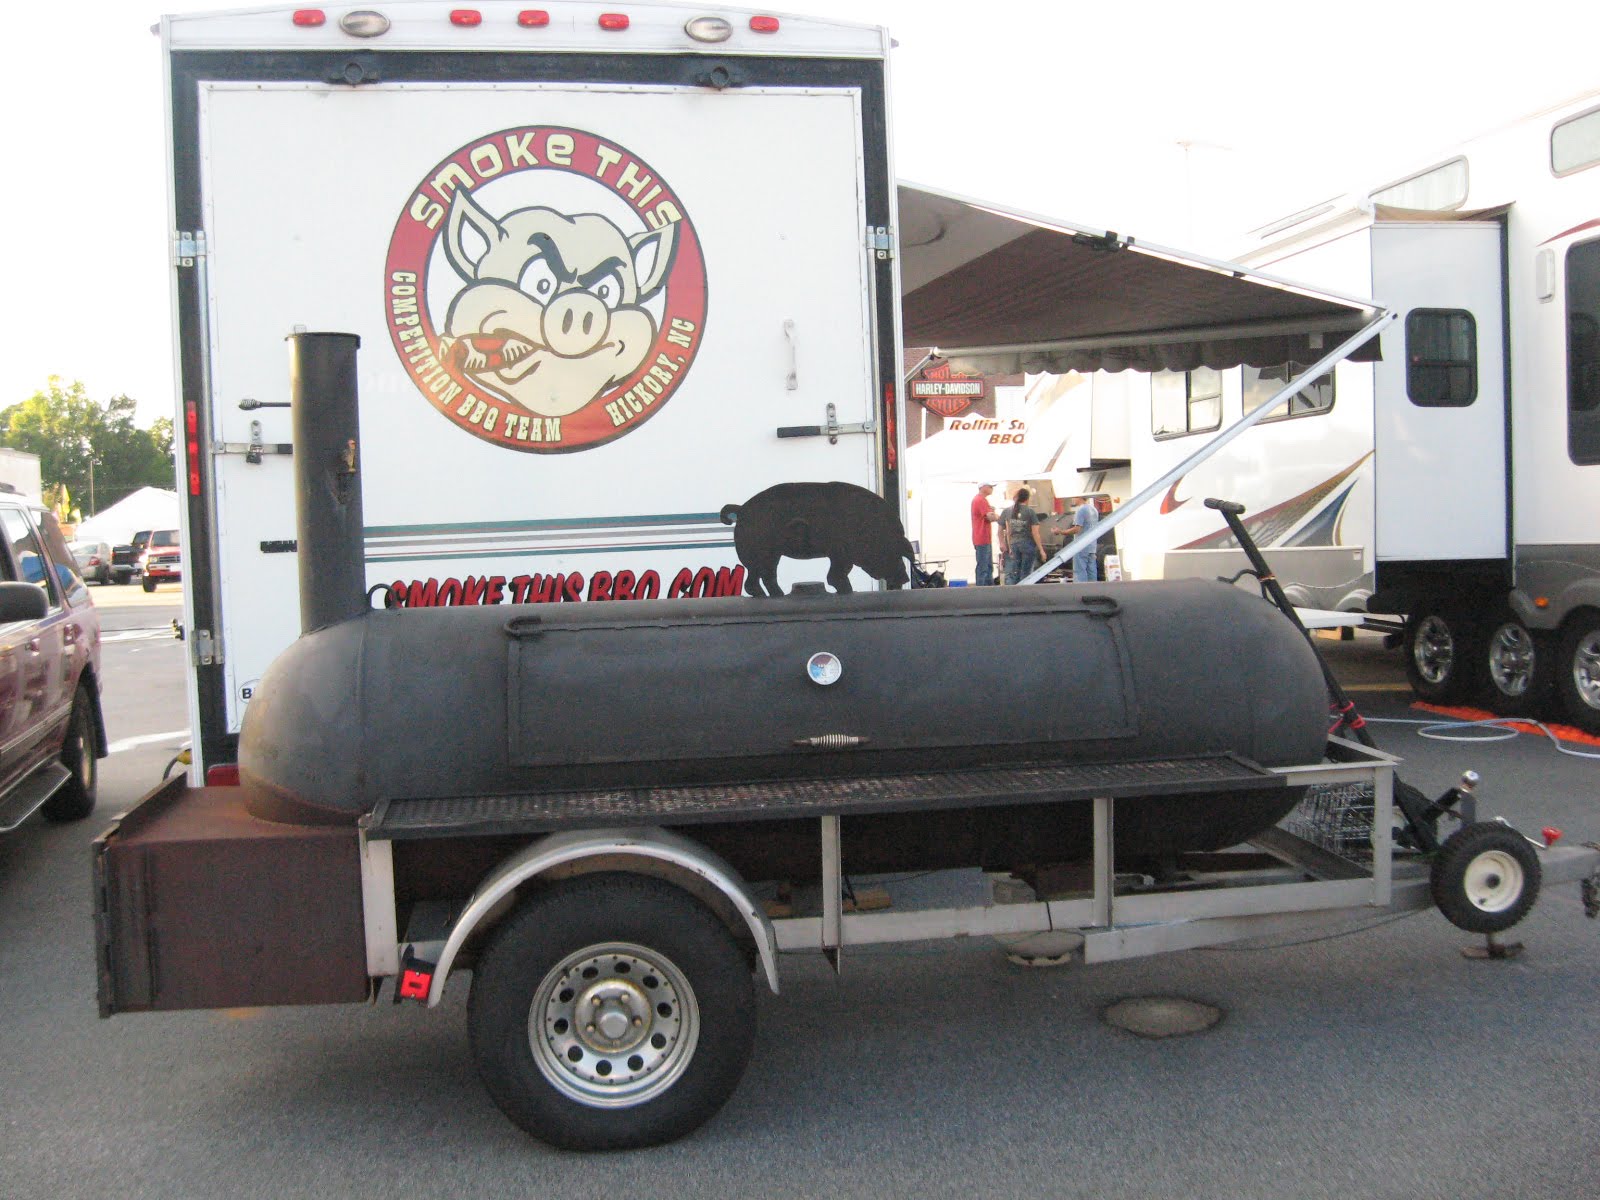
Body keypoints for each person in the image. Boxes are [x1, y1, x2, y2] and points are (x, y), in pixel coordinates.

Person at [1001, 487, 1044, 584]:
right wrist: (1041, 550)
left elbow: (1008, 531)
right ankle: (1024, 591)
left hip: (1014, 544)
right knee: (1026, 573)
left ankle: (1015, 590)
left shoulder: (1009, 511)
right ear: (1027, 499)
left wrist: (1010, 547)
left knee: (1015, 572)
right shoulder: (1030, 511)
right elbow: (1035, 533)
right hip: (1027, 545)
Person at [1065, 495, 1099, 582]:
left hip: (1081, 546)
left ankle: (1081, 589)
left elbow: (1077, 529)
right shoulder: (1094, 510)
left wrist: (1061, 532)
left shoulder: (1081, 510)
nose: (1073, 499)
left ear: (1079, 498)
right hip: (1092, 546)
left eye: (1074, 497)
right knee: (1092, 571)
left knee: (1080, 572)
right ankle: (1093, 589)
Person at [969, 483, 998, 586]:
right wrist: (1000, 517)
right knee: (984, 567)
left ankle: (988, 589)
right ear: (983, 487)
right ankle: (981, 590)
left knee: (988, 567)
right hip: (982, 538)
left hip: (983, 538)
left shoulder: (980, 500)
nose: (992, 488)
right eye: (990, 486)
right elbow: (991, 517)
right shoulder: (980, 500)